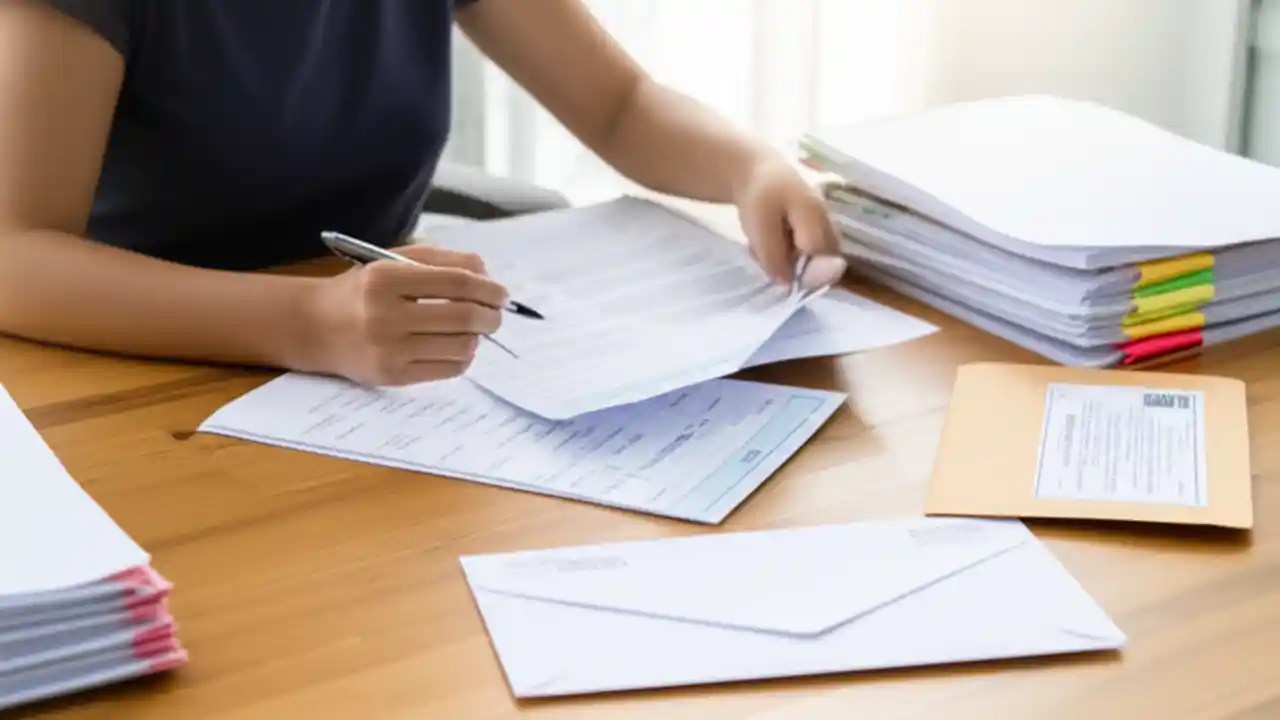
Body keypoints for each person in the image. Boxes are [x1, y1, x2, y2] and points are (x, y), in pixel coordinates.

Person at [0, 0, 839, 387]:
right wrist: (308, 324)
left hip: (385, 374)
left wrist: (747, 167)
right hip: (127, 375)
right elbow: (15, 252)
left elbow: (620, 107)